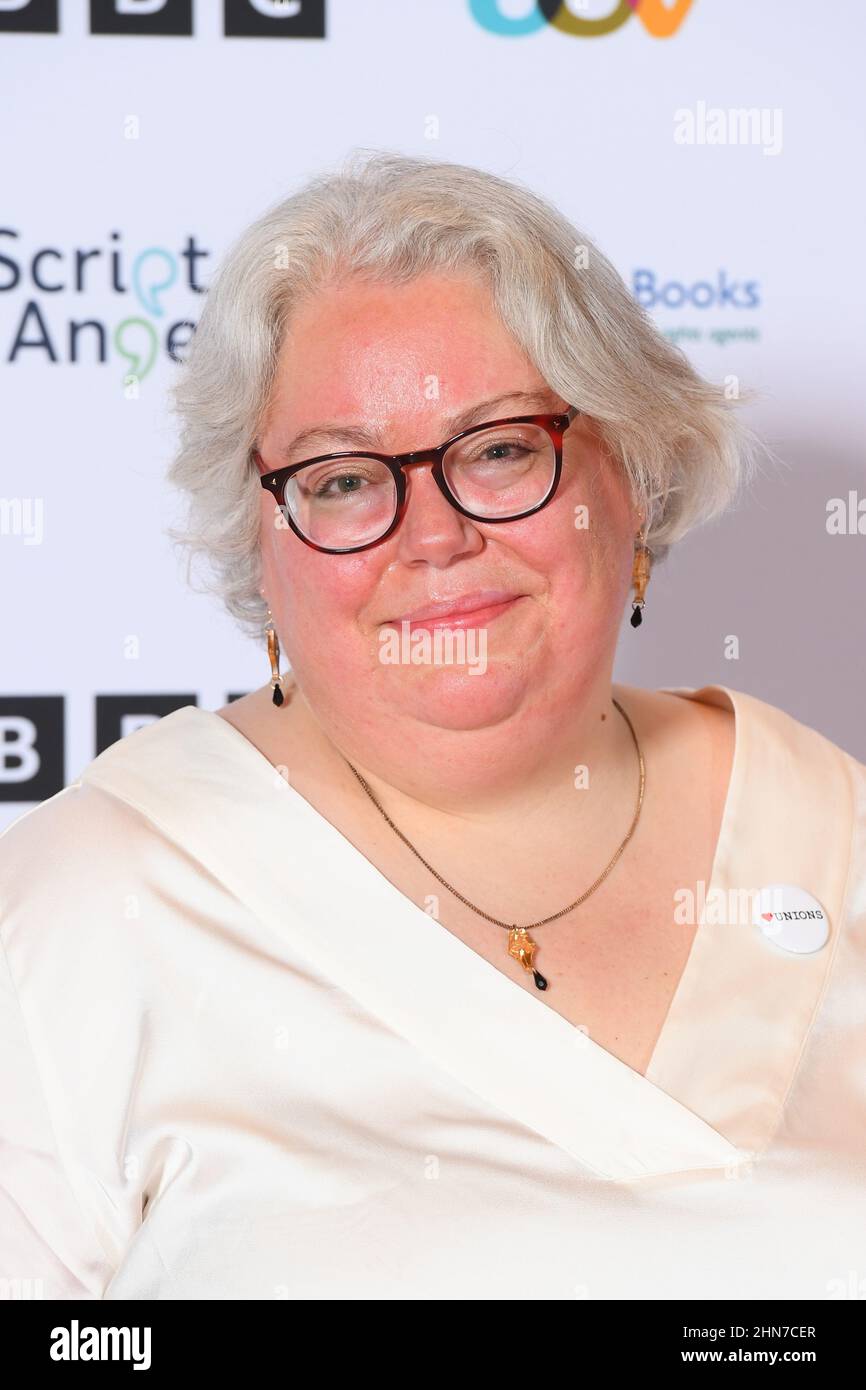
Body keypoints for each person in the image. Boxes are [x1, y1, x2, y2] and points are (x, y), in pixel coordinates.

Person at [1, 151, 864, 1301]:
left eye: (500, 448)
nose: (432, 535)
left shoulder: (832, 830)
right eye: (344, 478)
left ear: (632, 473)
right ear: (261, 539)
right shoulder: (92, 893)